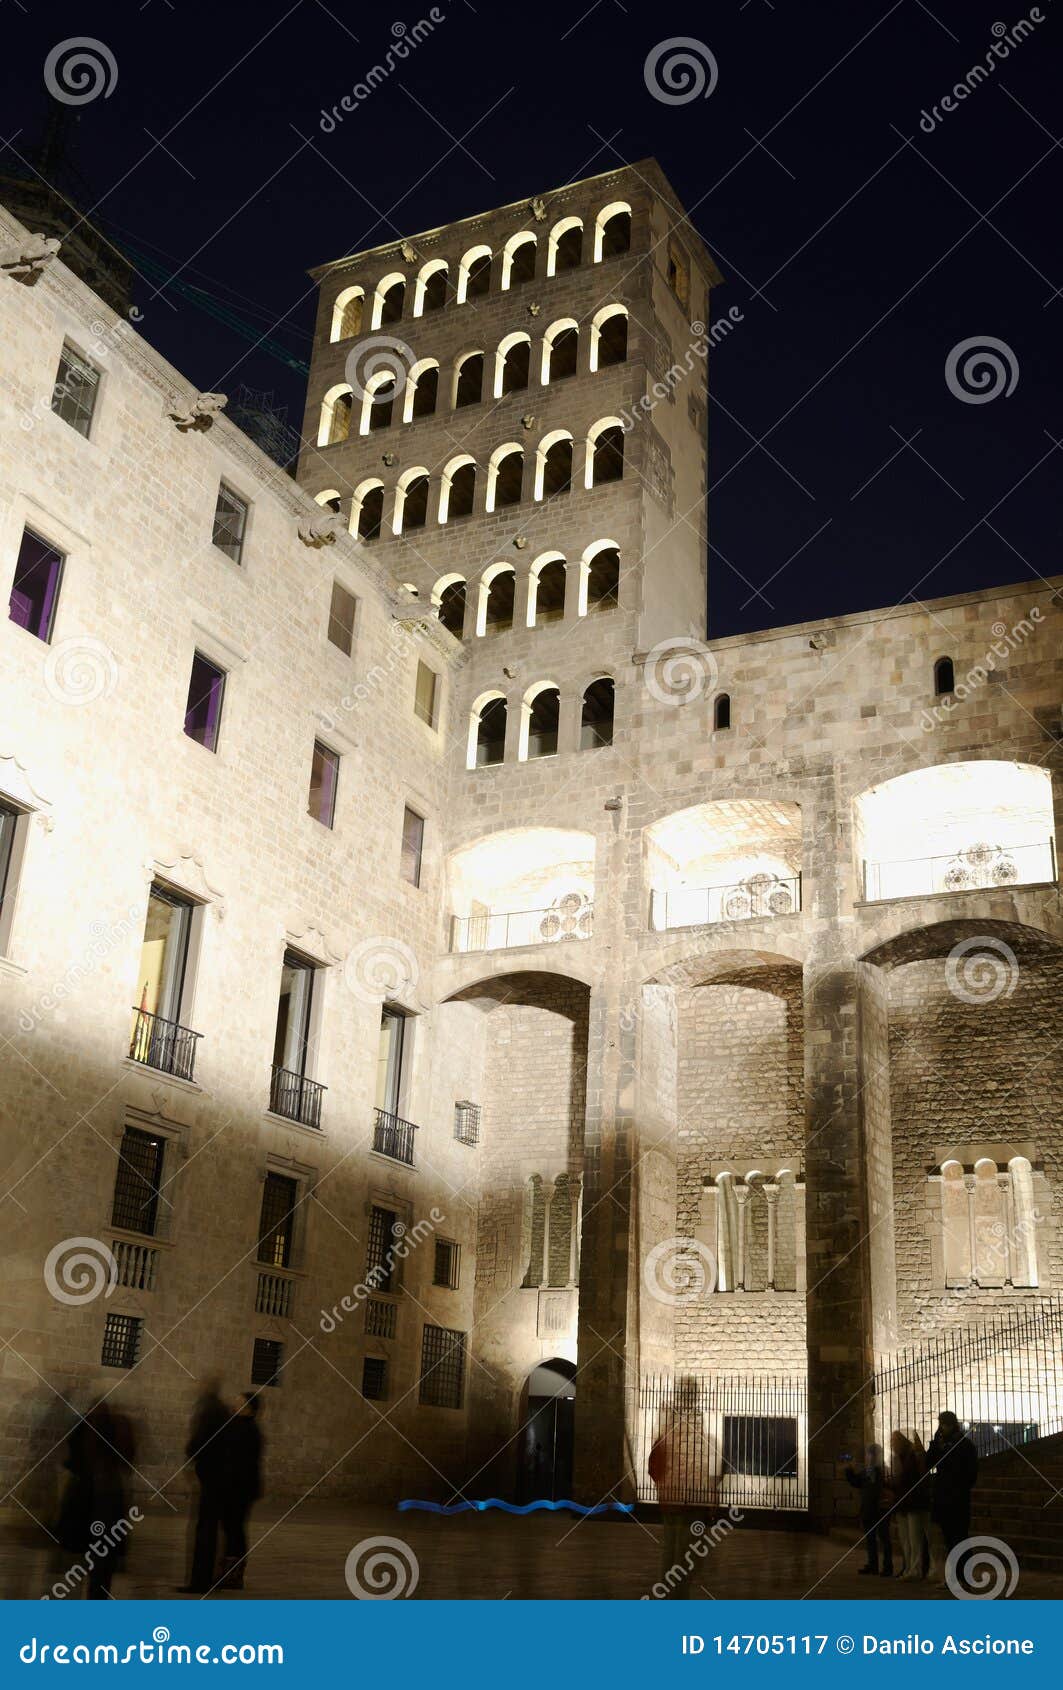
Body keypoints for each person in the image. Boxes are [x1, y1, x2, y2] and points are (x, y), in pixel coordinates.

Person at [57, 1401, 136, 1598]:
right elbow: (128, 1460)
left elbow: (71, 1460)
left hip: (92, 1501)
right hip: (106, 1501)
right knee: (102, 1560)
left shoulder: (85, 1427)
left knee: (89, 1556)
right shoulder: (117, 1428)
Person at [179, 1378, 230, 1593]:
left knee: (204, 1528)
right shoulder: (222, 1410)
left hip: (210, 1474)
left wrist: (191, 1454)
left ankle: (199, 1581)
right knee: (209, 1527)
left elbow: (200, 1440)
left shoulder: (209, 1409)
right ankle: (206, 1578)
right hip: (218, 1475)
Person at [217, 1394, 263, 1591]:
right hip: (241, 1488)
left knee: (234, 1529)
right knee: (233, 1528)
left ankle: (233, 1574)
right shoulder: (245, 1427)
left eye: (241, 1403)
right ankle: (231, 1572)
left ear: (249, 1408)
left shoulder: (246, 1429)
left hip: (239, 1489)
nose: (236, 1405)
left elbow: (238, 1460)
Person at [926, 1411, 978, 1580]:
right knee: (949, 1539)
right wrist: (934, 1444)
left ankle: (963, 1576)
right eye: (940, 1424)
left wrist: (957, 1487)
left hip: (957, 1499)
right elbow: (930, 1463)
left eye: (944, 1424)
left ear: (952, 1425)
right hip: (943, 1498)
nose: (942, 1428)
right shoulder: (941, 1445)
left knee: (959, 1538)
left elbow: (970, 1474)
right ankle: (956, 1577)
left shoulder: (964, 1445)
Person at [887, 1430, 932, 1581]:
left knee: (915, 1540)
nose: (891, 1444)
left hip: (914, 1502)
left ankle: (916, 1569)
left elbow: (914, 1478)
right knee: (907, 1539)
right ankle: (910, 1568)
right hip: (906, 1503)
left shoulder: (912, 1456)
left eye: (894, 1441)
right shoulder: (900, 1457)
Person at [844, 1443, 892, 1576]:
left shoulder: (880, 1470)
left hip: (879, 1508)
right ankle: (873, 1565)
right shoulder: (869, 1470)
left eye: (869, 1454)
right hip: (869, 1509)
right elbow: (857, 1482)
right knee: (871, 1539)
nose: (867, 1457)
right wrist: (849, 1470)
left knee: (884, 1538)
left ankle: (887, 1567)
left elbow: (874, 1487)